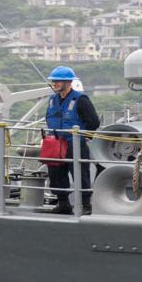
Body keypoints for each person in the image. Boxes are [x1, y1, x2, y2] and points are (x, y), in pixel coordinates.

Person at [43, 66, 99, 215]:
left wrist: (85, 137)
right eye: (53, 81)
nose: (54, 84)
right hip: (55, 142)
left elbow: (93, 121)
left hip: (74, 142)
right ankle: (63, 203)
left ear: (68, 82)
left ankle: (86, 205)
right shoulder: (52, 100)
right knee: (56, 172)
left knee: (80, 173)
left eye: (58, 81)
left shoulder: (81, 100)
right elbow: (49, 118)